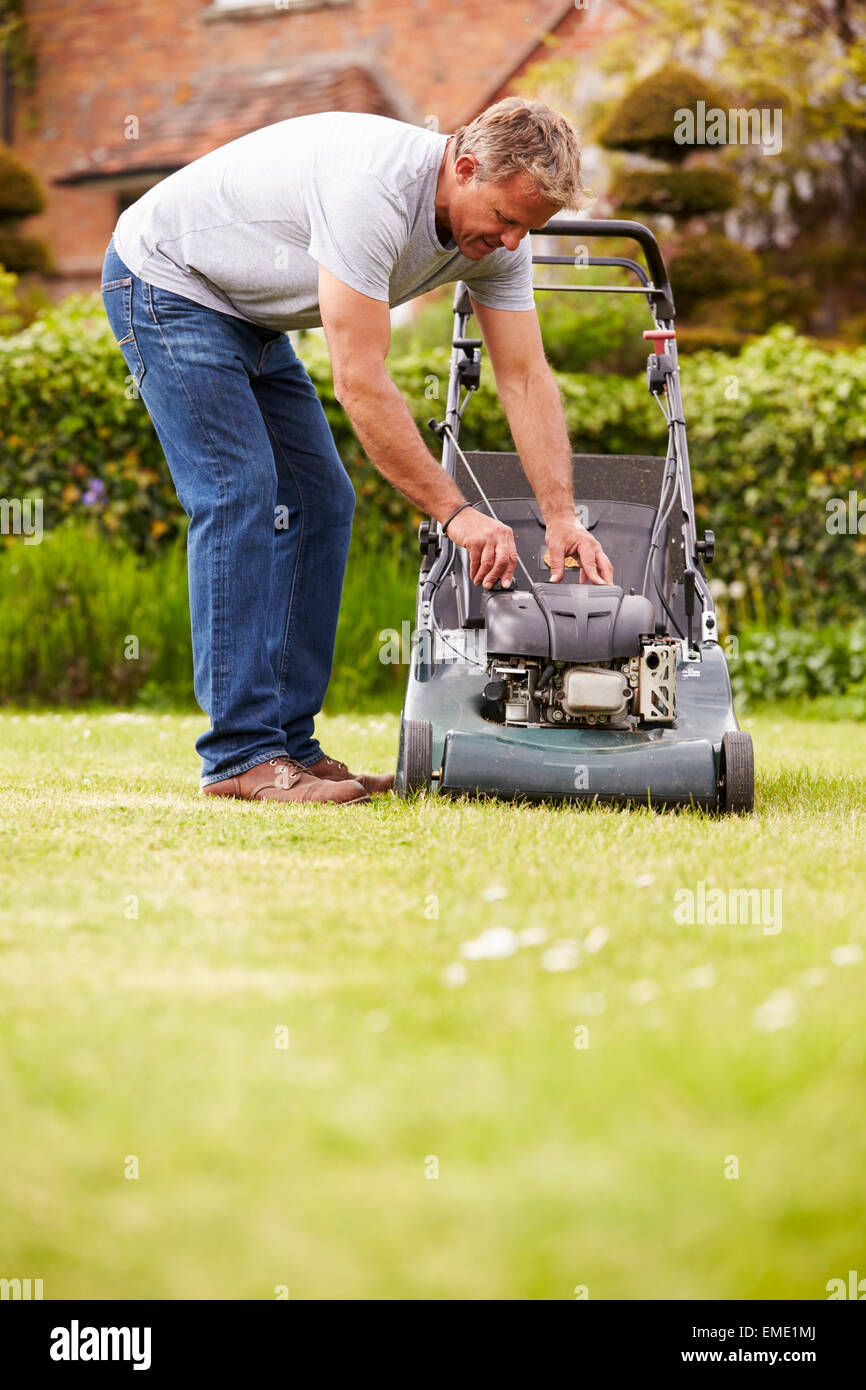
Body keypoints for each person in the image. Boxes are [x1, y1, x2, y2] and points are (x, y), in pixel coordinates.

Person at [101, 97, 614, 808]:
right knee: (238, 490)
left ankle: (291, 747)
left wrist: (561, 516)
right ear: (466, 167)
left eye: (528, 228)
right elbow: (361, 382)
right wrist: (456, 514)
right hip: (167, 281)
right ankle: (239, 756)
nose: (511, 241)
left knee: (321, 501)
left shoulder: (502, 242)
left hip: (247, 315)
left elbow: (524, 376)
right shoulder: (373, 191)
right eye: (505, 218)